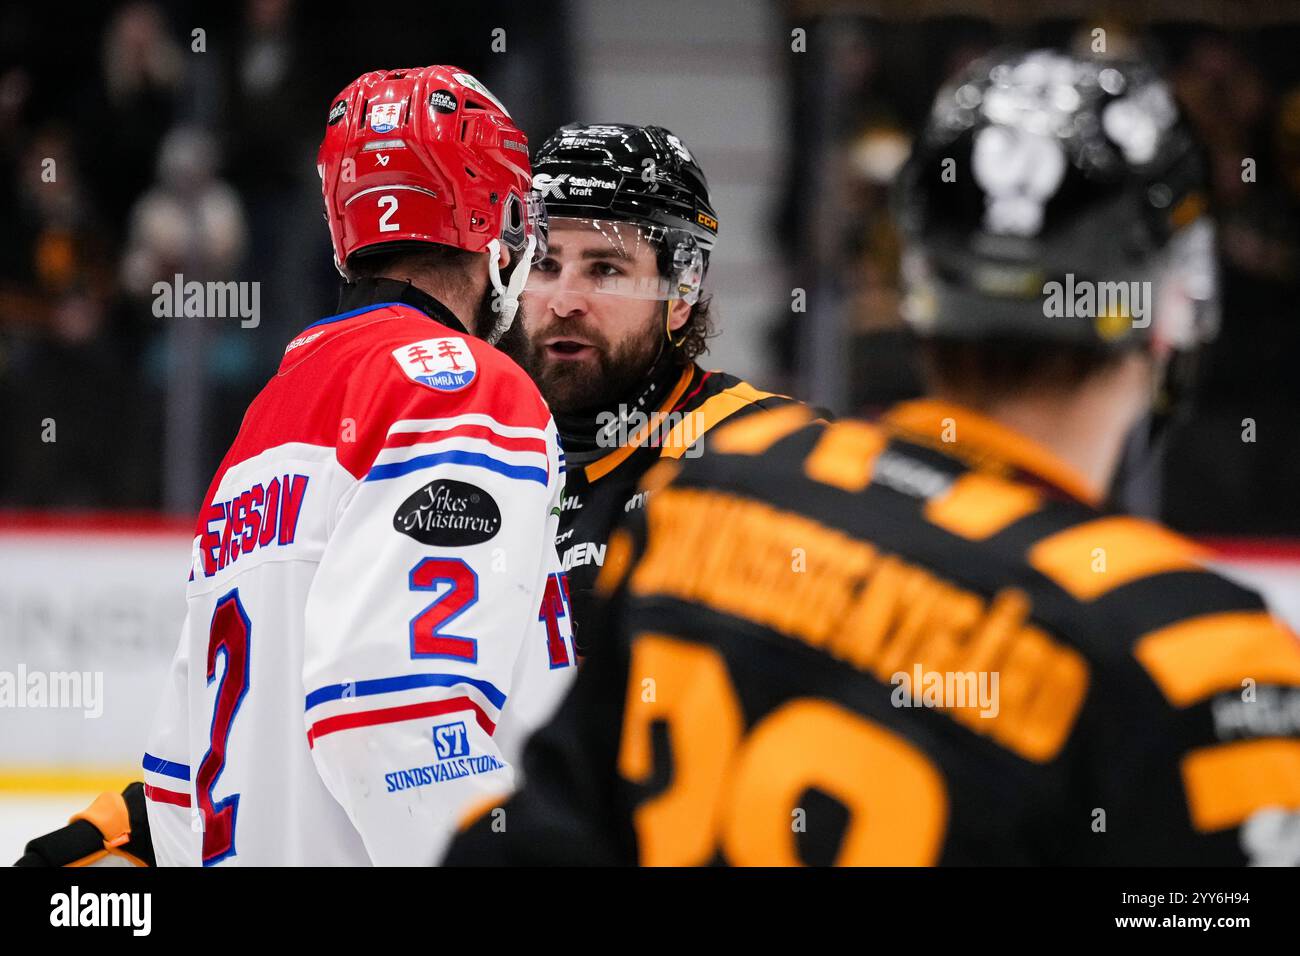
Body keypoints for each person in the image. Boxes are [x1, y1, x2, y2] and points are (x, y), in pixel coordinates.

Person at [446, 50, 1300, 866]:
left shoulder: (707, 498)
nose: (564, 298)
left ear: (916, 280)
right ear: (1175, 307)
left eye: (603, 266)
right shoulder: (1198, 655)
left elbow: (533, 837)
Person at [17, 65, 575, 867]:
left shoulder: (268, 416)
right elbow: (395, 722)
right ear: (498, 214)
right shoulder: (466, 388)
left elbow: (182, 790)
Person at [497, 123, 803, 647]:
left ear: (681, 292)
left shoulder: (770, 452)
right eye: (545, 265)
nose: (565, 300)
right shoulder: (465, 442)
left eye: (605, 269)